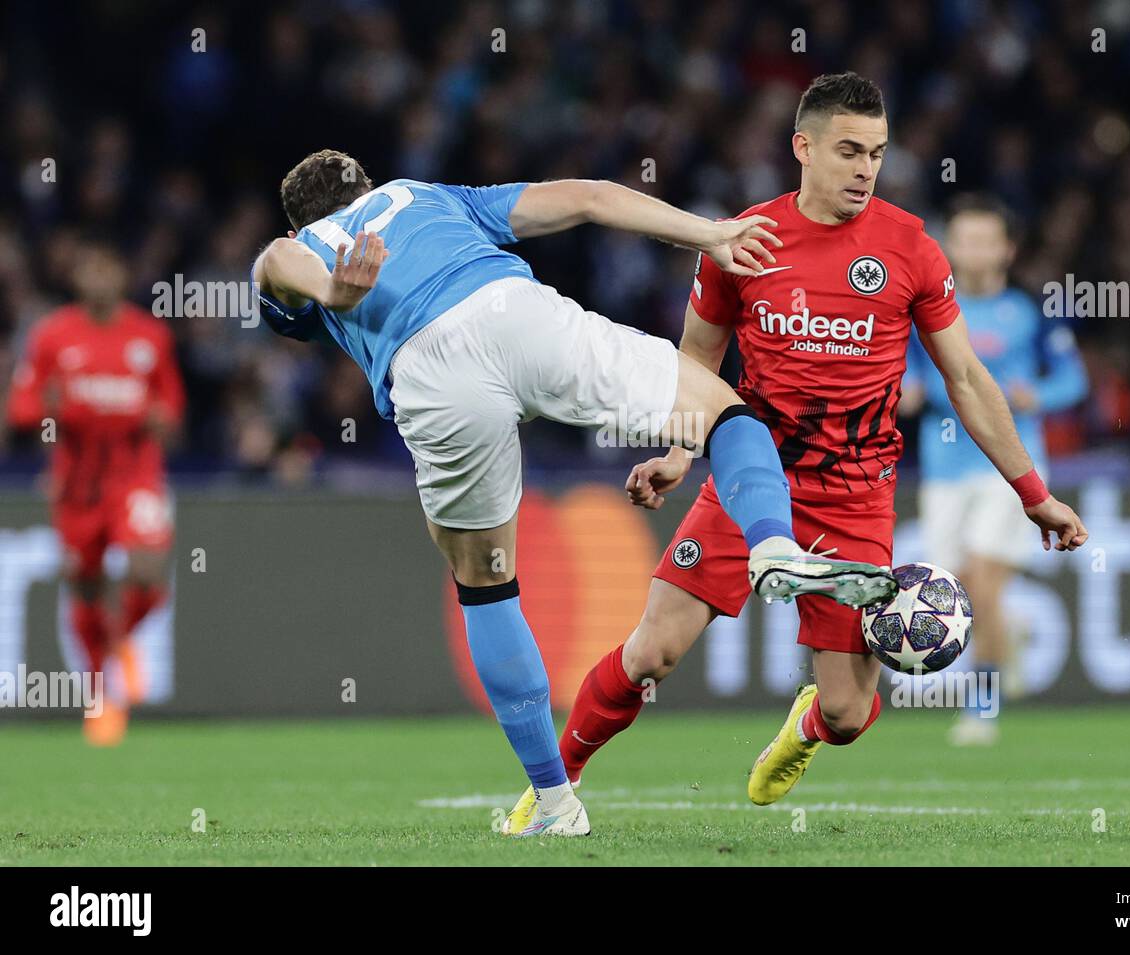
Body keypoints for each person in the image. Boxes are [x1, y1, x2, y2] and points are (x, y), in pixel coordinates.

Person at [502, 72, 1088, 831]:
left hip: (854, 495)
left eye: (876, 153)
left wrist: (1031, 491)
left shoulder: (912, 248)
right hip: (753, 484)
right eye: (849, 150)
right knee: (651, 655)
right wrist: (681, 457)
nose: (865, 169)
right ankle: (552, 790)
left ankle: (806, 726)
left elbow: (968, 379)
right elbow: (697, 362)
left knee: (848, 714)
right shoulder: (742, 241)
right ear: (802, 148)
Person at [252, 150, 897, 837]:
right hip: (517, 316)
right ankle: (770, 544)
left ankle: (555, 805)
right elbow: (587, 196)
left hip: (433, 376)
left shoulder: (309, 246)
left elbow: (274, 264)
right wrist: (708, 233)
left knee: (484, 583)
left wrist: (331, 292)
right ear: (368, 188)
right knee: (722, 415)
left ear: (303, 220)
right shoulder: (421, 195)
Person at [902, 194, 1088, 746]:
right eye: (965, 238)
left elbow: (1073, 381)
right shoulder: (927, 312)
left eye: (986, 239)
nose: (975, 250)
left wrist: (1039, 395)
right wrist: (906, 393)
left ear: (1007, 249)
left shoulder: (1029, 312)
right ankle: (1011, 634)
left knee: (981, 581)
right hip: (943, 469)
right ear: (949, 247)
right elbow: (909, 375)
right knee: (953, 589)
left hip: (1007, 467)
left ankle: (981, 707)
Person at [6, 239, 185, 746]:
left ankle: (116, 647)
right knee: (84, 584)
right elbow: (21, 410)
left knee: (150, 573)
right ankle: (101, 692)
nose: (102, 279)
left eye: (111, 269)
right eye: (93, 269)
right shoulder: (52, 336)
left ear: (123, 277)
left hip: (136, 477)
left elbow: (172, 412)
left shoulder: (149, 337)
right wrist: (50, 408)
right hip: (77, 483)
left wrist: (160, 420)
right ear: (78, 277)